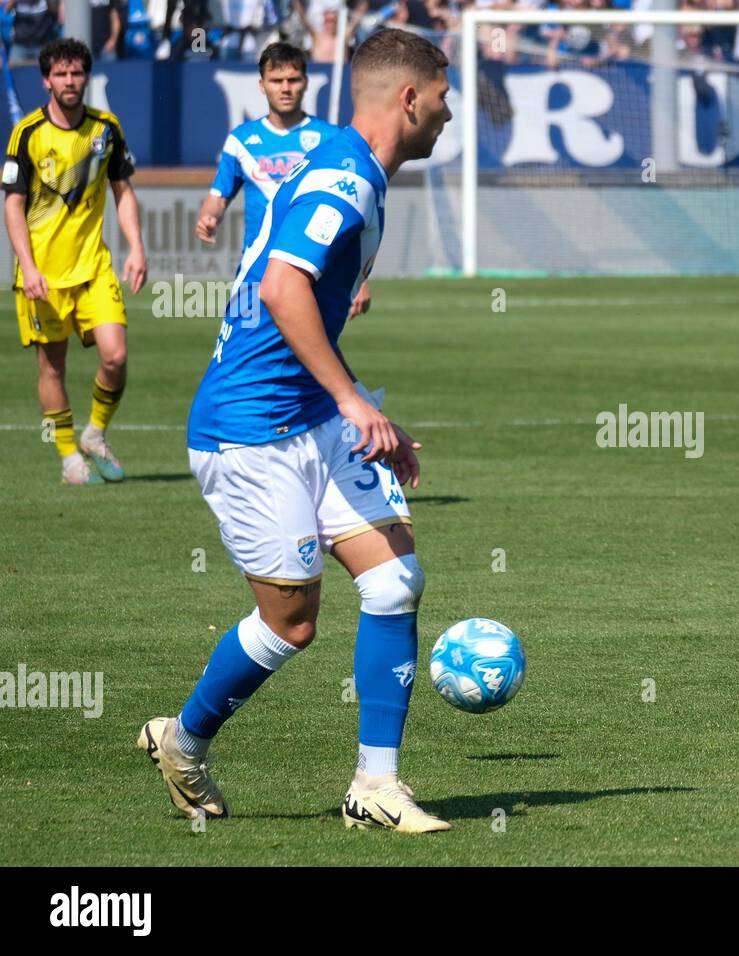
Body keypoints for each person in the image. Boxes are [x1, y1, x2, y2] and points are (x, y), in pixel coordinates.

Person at [137, 28, 453, 832]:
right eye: (443, 98)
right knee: (293, 622)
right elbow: (280, 286)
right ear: (409, 99)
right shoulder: (344, 177)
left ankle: (375, 786)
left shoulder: (355, 170)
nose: (449, 117)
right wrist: (355, 402)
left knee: (394, 581)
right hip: (246, 429)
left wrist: (352, 406)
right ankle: (185, 740)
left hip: (306, 414)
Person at [4, 38, 148, 485]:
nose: (70, 81)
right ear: (46, 80)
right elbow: (12, 205)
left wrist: (137, 247)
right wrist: (27, 266)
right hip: (43, 275)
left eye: (77, 73)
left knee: (116, 355)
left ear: (87, 77)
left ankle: (95, 434)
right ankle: (69, 456)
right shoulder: (28, 133)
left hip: (93, 268)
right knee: (52, 367)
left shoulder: (106, 128)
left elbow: (122, 190)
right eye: (61, 74)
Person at [195, 41, 371, 316]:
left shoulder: (332, 139)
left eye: (293, 79)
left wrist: (359, 277)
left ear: (305, 82)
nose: (285, 88)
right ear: (262, 85)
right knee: (239, 357)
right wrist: (209, 217)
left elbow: (353, 210)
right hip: (256, 272)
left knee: (308, 357)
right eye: (276, 80)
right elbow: (217, 198)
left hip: (313, 272)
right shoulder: (241, 141)